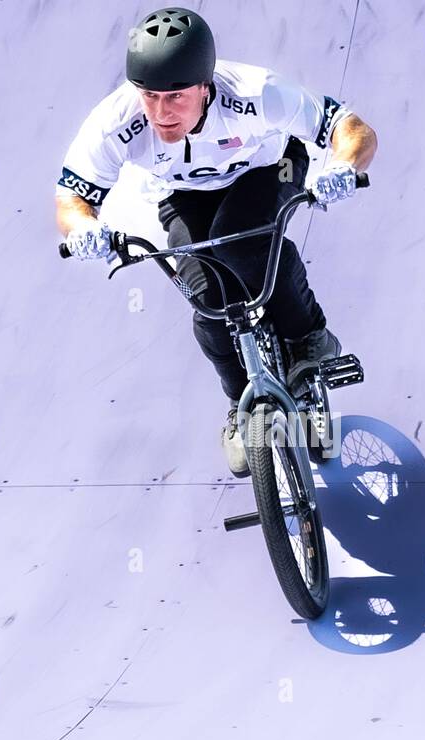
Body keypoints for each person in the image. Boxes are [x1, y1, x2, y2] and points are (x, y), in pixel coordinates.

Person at [55, 7, 377, 476]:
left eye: (176, 97)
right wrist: (83, 229)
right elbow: (72, 199)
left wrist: (345, 168)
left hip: (267, 170)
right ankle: (239, 403)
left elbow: (352, 130)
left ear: (205, 86)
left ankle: (311, 337)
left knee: (237, 242)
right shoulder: (116, 119)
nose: (161, 112)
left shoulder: (256, 92)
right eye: (150, 96)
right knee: (206, 300)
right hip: (182, 195)